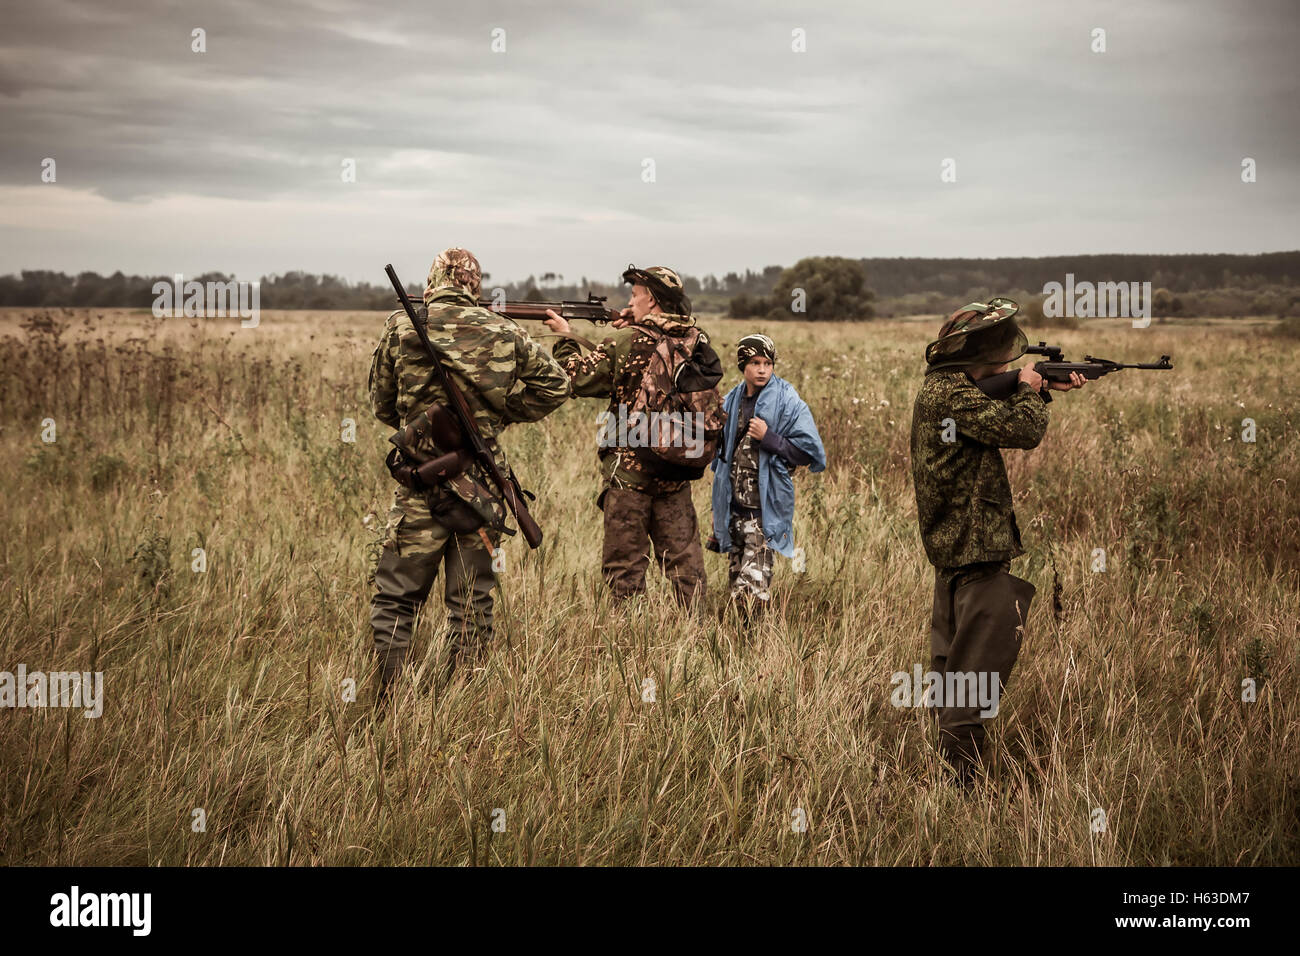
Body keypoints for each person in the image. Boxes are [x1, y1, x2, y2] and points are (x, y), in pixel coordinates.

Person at [368, 247, 569, 702]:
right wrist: (500, 419)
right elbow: (557, 385)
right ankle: (465, 705)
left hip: (420, 483)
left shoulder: (402, 325)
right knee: (472, 603)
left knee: (397, 598)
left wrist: (421, 429)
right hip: (482, 488)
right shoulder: (504, 330)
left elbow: (381, 404)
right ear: (474, 286)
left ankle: (391, 703)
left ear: (434, 280)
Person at [908, 297, 1085, 785]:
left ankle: (947, 784)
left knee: (953, 679)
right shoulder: (951, 396)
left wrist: (1039, 389)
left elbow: (988, 418)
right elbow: (1021, 430)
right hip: (974, 555)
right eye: (999, 351)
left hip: (958, 555)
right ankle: (965, 796)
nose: (1005, 359)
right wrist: (1030, 389)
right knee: (971, 689)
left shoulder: (947, 391)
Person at [543, 265, 717, 607]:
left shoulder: (626, 340)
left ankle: (631, 638)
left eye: (635, 295)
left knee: (625, 569)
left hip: (629, 474)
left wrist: (564, 336)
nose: (629, 300)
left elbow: (576, 379)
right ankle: (697, 630)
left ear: (651, 299)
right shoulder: (694, 340)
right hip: (675, 470)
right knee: (686, 564)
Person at [708, 333, 825, 622]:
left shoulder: (787, 400)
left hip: (764, 514)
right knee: (736, 585)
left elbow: (810, 452)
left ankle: (753, 648)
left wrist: (770, 438)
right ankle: (738, 650)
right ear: (742, 365)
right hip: (734, 509)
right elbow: (718, 454)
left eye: (768, 363)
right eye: (755, 362)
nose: (762, 369)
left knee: (753, 591)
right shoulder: (731, 400)